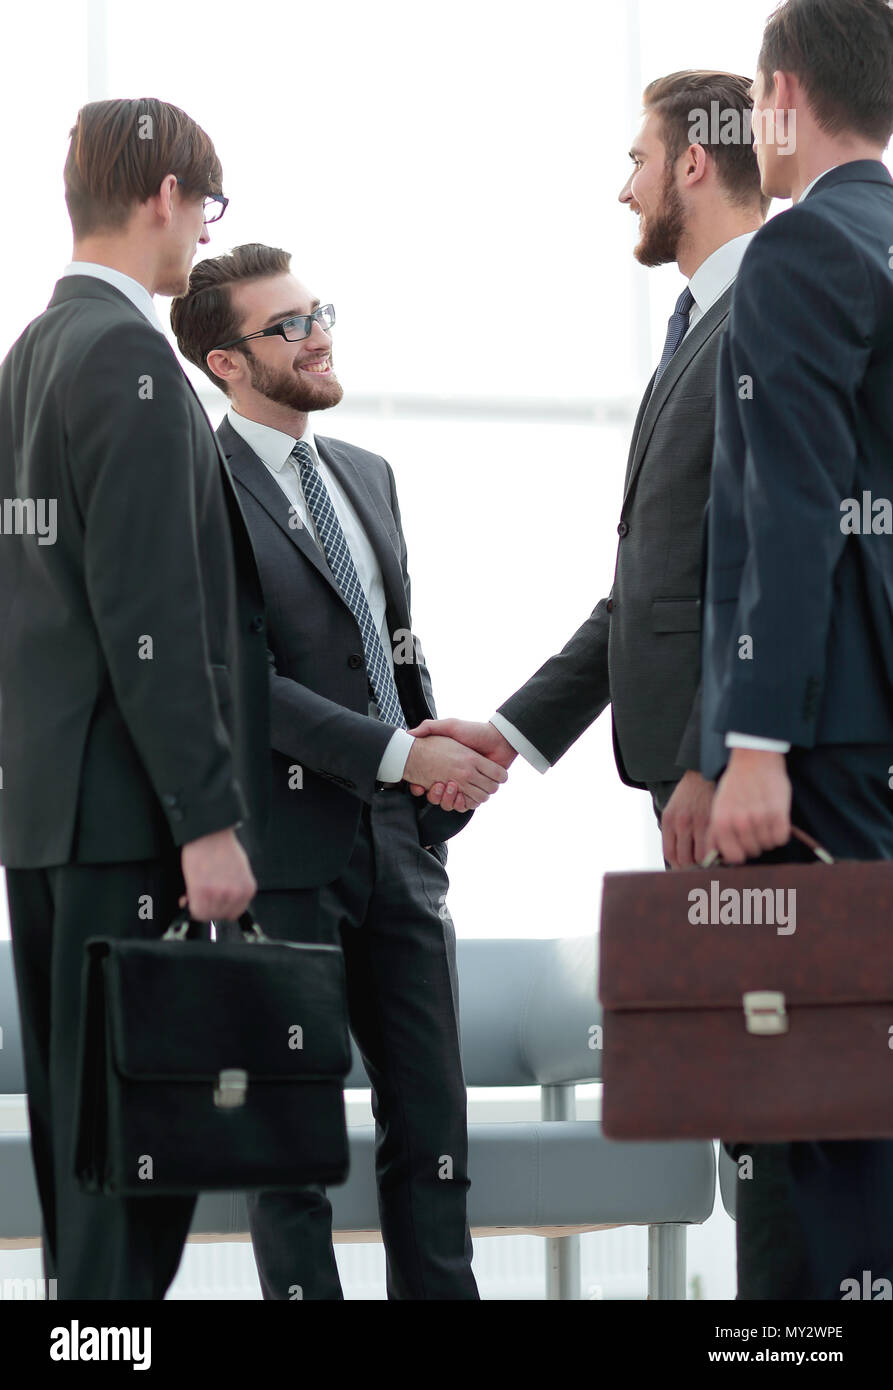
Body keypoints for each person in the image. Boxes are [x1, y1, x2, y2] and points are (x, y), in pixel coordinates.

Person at [170, 245, 503, 1298]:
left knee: (434, 1131)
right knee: (292, 1145)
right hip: (279, 856)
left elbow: (389, 646)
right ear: (225, 362)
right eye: (287, 326)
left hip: (400, 843)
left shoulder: (366, 474)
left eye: (318, 312)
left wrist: (427, 764)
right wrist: (405, 753)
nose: (316, 335)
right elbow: (240, 682)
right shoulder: (195, 488)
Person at [0, 98, 269, 1299]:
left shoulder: (30, 356)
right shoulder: (130, 360)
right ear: (164, 196)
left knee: (82, 1162)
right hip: (128, 822)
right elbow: (149, 615)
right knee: (134, 1168)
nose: (202, 237)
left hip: (49, 817)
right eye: (204, 209)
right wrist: (207, 818)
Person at [407, 70, 769, 866]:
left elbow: (769, 567)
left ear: (692, 164)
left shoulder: (764, 314)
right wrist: (508, 733)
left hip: (728, 780)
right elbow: (649, 593)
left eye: (635, 160)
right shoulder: (699, 324)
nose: (623, 191)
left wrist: (718, 755)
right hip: (686, 773)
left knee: (760, 988)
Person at [701, 0, 893, 1300]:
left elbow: (794, 507)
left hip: (831, 733)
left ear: (779, 95)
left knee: (828, 1090)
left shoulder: (799, 251)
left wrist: (755, 742)